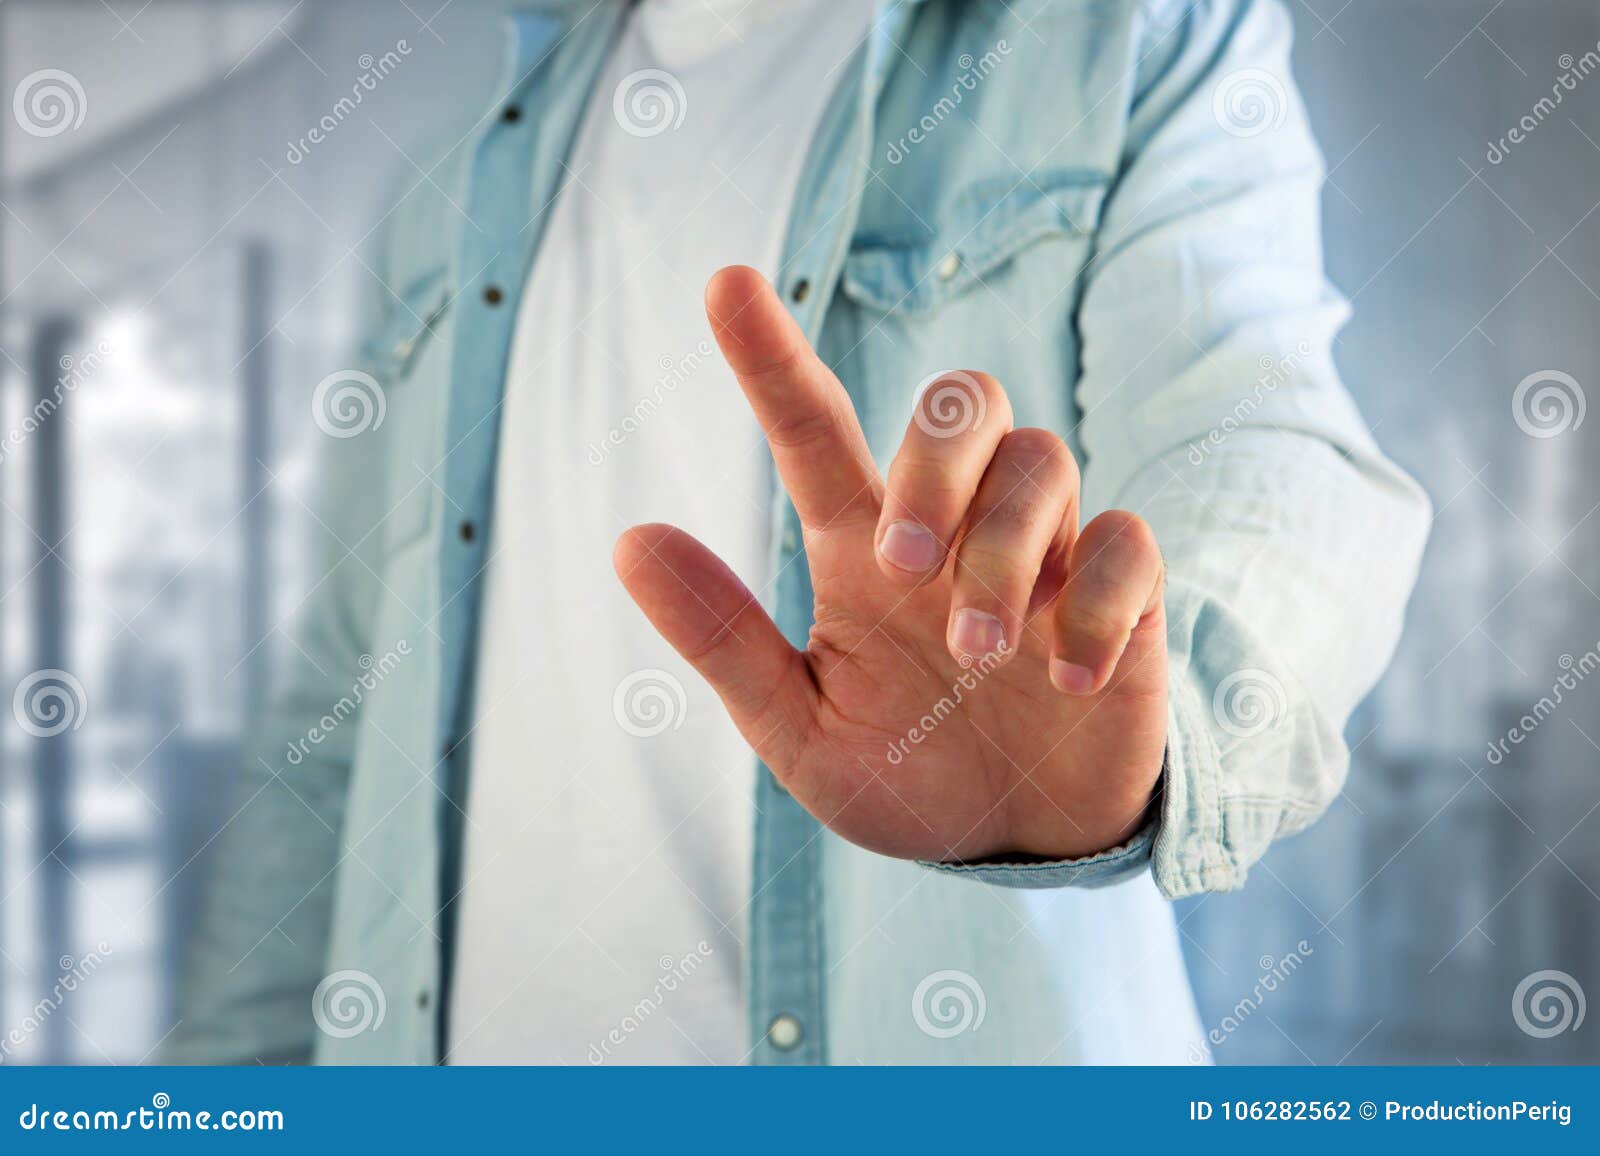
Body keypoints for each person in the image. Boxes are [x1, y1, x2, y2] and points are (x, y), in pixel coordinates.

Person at [173, 0, 1429, 1064]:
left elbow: (1266, 440)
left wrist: (1162, 730)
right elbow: (331, 724)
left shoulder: (1127, 37)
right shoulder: (450, 179)